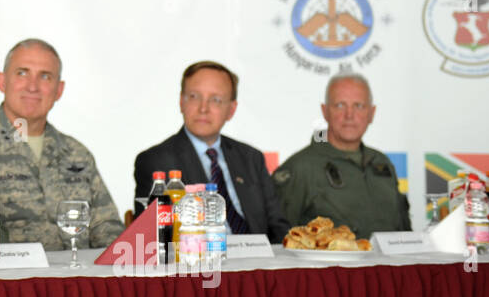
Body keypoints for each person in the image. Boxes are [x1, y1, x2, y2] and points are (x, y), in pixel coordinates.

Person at [0, 39, 124, 252]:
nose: (33, 86)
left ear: (59, 90)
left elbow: (107, 229)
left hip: (77, 279)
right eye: (22, 73)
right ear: (2, 82)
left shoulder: (77, 154)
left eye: (45, 76)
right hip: (6, 281)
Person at [133, 61, 290, 242]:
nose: (203, 108)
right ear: (181, 102)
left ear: (231, 110)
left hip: (258, 263)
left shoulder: (250, 158)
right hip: (197, 264)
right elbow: (155, 237)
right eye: (194, 96)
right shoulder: (155, 161)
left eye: (215, 100)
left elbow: (278, 226)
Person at [273, 73, 410, 238]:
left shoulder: (382, 164)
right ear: (325, 111)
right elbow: (279, 242)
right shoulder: (300, 168)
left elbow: (405, 236)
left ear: (372, 113)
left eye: (359, 106)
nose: (349, 115)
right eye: (340, 105)